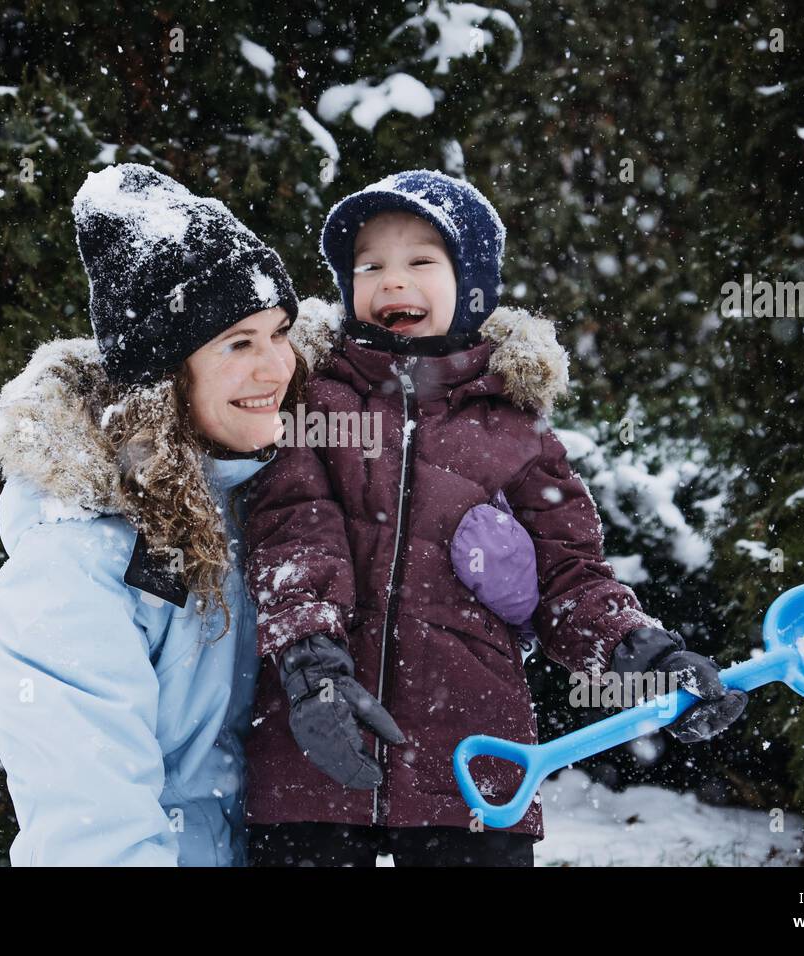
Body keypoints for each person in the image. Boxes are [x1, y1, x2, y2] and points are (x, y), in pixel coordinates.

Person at [239, 170, 747, 867]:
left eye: (420, 261)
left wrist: (648, 655)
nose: (391, 282)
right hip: (314, 742)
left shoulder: (519, 433)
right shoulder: (310, 408)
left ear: (472, 283)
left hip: (471, 758)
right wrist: (313, 672)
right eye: (369, 266)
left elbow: (573, 579)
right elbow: (291, 541)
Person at [0, 163, 306, 866]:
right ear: (164, 373)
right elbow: (93, 833)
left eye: (281, 333)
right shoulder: (74, 563)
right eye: (239, 344)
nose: (277, 368)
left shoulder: (274, 499)